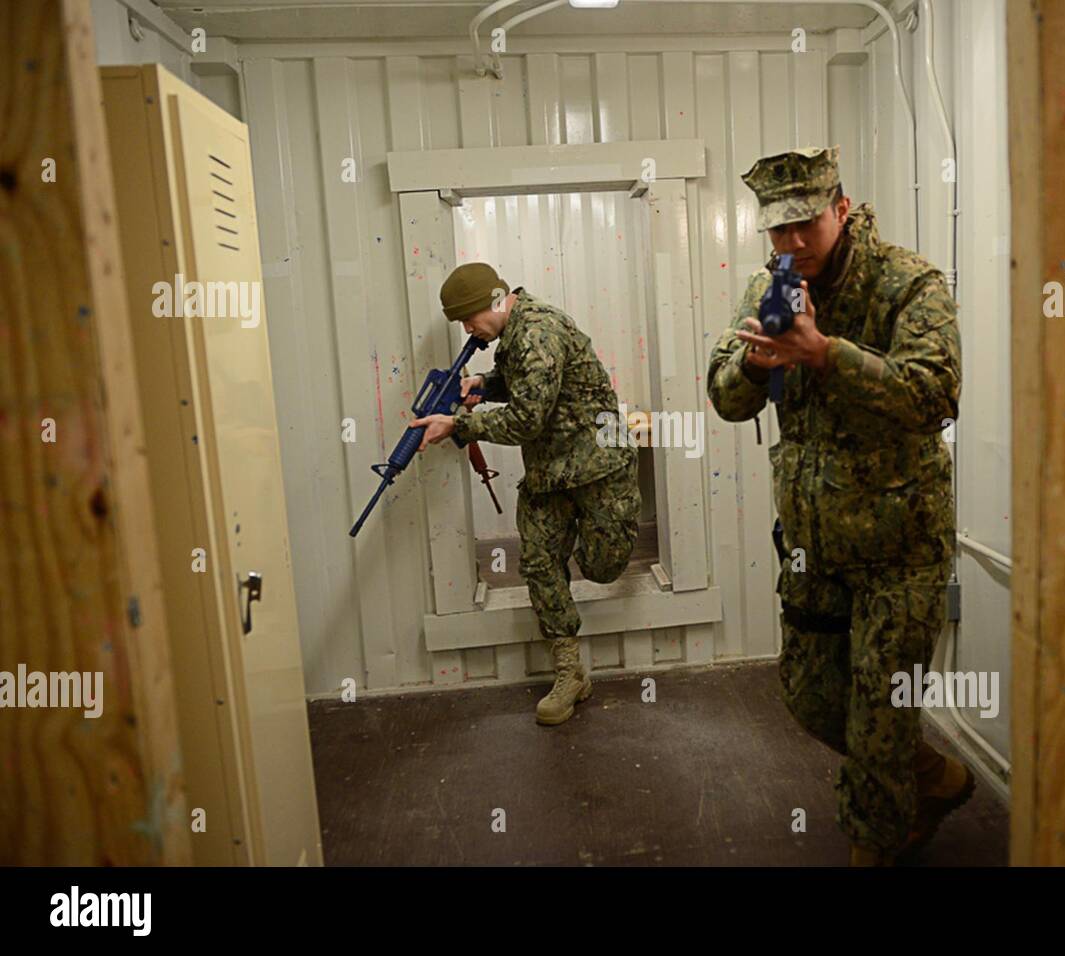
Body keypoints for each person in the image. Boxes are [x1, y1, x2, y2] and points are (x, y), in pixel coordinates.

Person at [706, 146, 975, 866]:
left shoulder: (909, 284)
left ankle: (876, 843)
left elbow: (933, 397)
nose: (793, 243)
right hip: (811, 547)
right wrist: (757, 364)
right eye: (778, 230)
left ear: (842, 209)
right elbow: (724, 399)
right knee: (812, 700)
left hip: (901, 548)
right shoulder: (772, 288)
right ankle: (936, 778)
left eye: (807, 224)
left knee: (881, 717)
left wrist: (826, 353)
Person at [413, 263, 640, 725]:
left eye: (469, 317)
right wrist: (483, 383)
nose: (467, 328)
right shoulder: (515, 335)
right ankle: (569, 672)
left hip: (597, 467)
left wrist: (458, 424)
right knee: (538, 562)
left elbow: (526, 419)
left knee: (602, 566)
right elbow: (524, 383)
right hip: (549, 473)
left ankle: (597, 527)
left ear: (496, 301)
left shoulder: (538, 331)